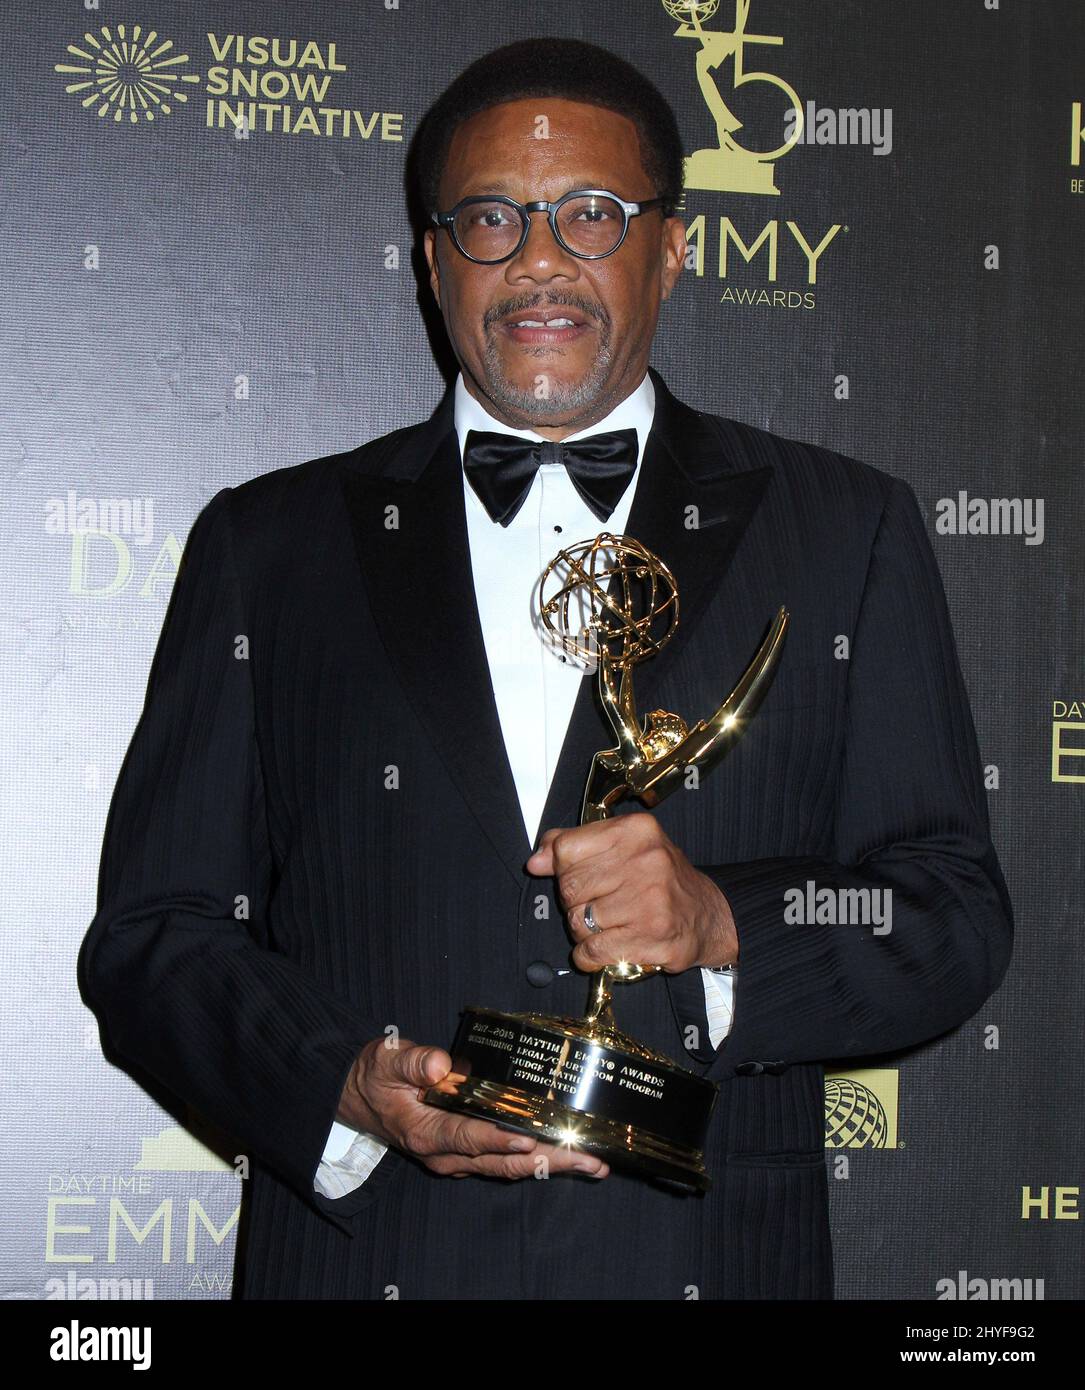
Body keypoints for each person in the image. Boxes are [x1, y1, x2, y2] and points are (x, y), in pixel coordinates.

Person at [79, 37, 1013, 1300]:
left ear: (672, 246)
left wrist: (727, 927)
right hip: (365, 1265)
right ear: (431, 261)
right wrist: (340, 1082)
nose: (535, 262)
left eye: (590, 214)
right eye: (488, 219)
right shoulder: (267, 546)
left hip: (705, 1264)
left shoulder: (847, 532)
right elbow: (155, 937)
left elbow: (948, 912)